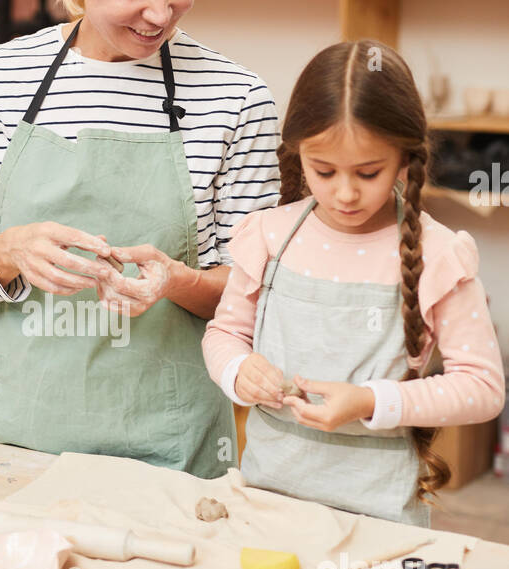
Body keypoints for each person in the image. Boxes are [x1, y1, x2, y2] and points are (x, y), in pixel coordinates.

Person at [0, 0, 280, 478]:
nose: (159, 10)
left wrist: (174, 281)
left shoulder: (236, 99)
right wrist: (9, 252)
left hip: (167, 447)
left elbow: (255, 297)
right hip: (11, 436)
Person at [203, 40, 505, 525]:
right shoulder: (268, 235)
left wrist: (371, 400)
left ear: (405, 159)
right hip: (266, 501)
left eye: (368, 172)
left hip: (378, 516)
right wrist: (238, 370)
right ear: (298, 154)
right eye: (323, 171)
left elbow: (483, 388)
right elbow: (223, 333)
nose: (344, 193)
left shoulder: (440, 254)